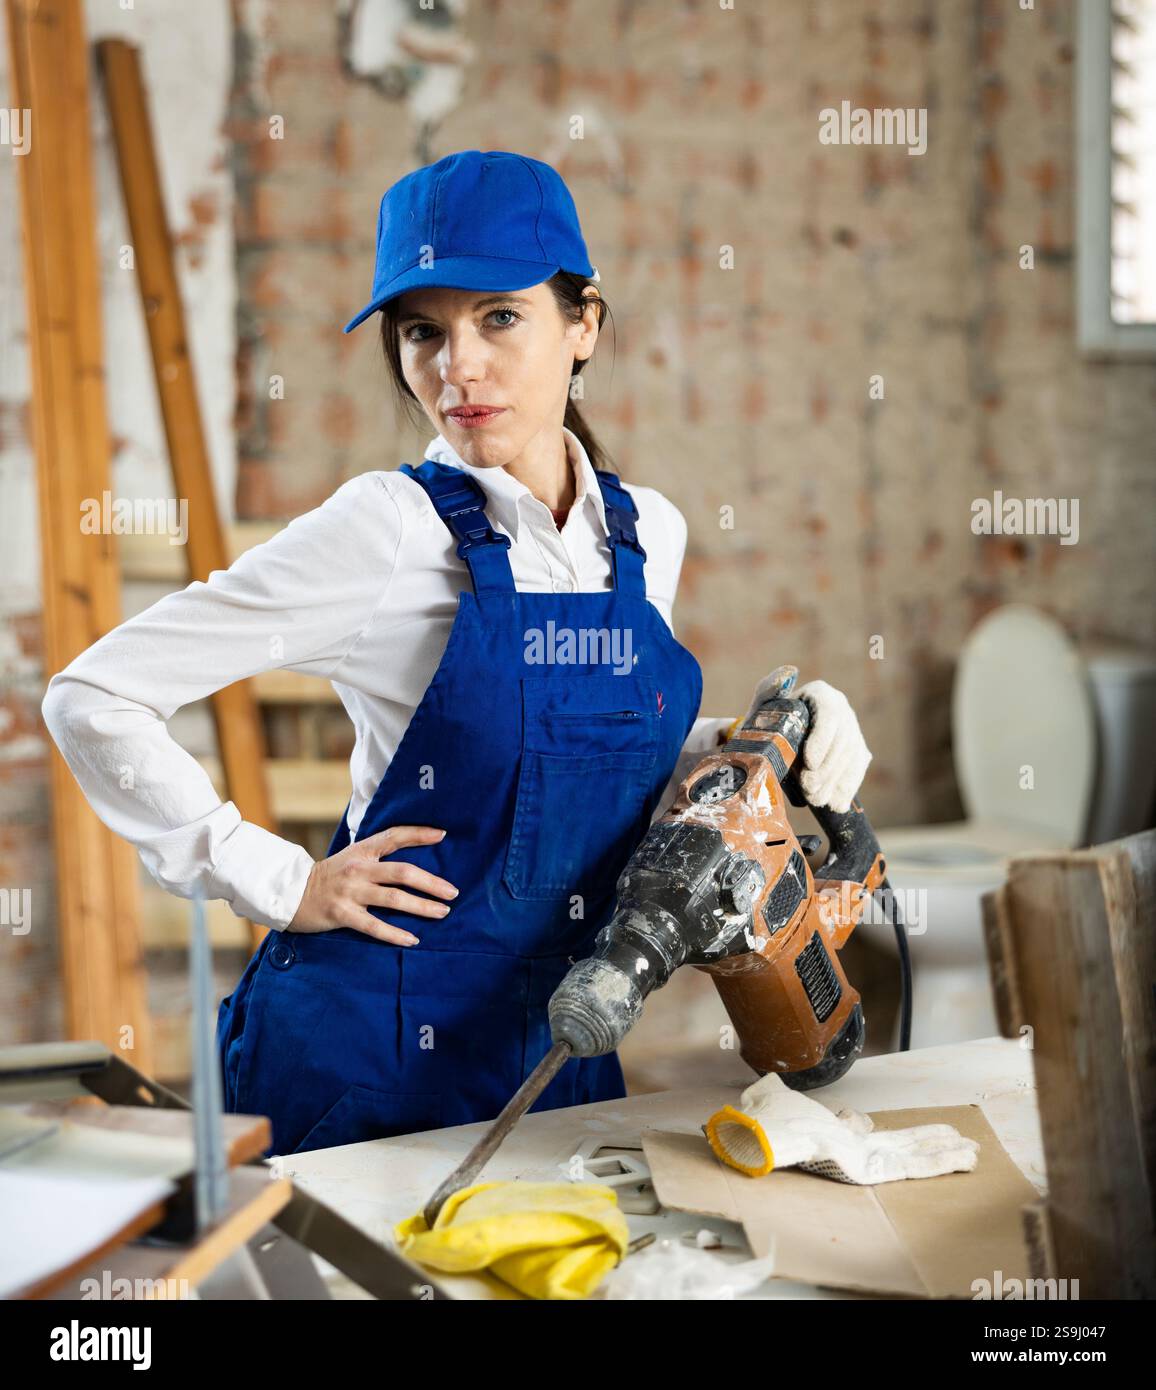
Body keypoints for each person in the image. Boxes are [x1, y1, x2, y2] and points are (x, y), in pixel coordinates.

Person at [41, 149, 872, 1156]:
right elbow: (92, 696)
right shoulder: (387, 531)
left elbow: (595, 757)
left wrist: (768, 736)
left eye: (499, 318)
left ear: (584, 325)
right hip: (360, 1066)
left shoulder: (646, 535)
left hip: (556, 1051)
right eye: (423, 331)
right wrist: (278, 880)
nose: (457, 367)